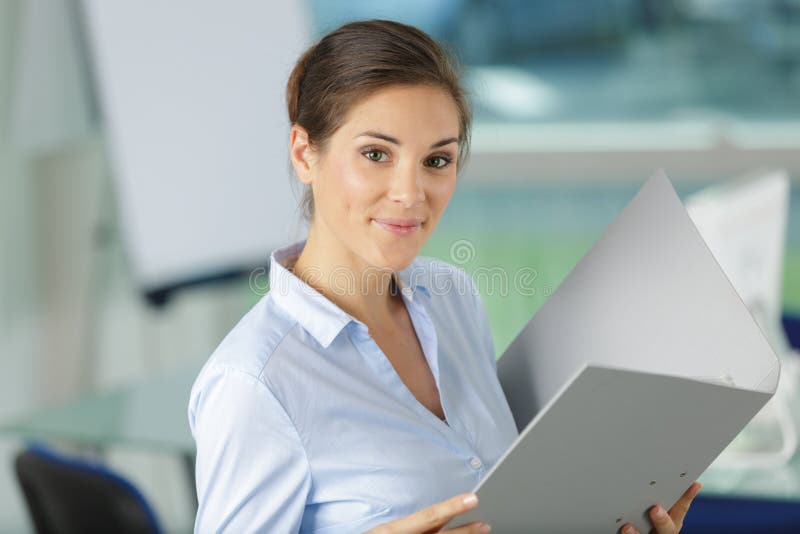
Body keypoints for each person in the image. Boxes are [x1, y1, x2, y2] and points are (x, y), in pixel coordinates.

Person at [187, 19, 701, 534]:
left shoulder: (452, 298)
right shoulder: (253, 384)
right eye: (376, 154)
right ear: (305, 153)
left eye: (437, 160)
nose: (411, 193)